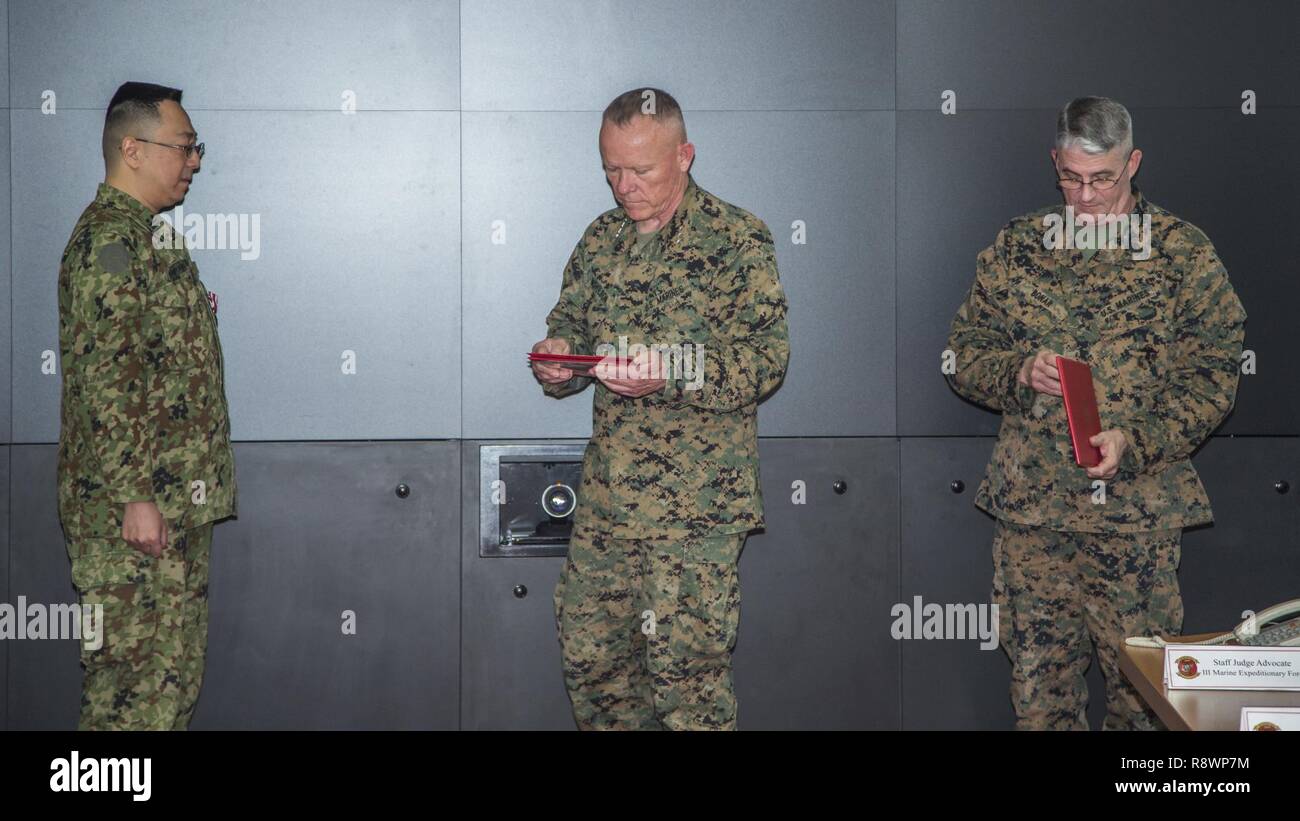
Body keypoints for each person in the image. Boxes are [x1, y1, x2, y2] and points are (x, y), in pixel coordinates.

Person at [946, 96, 1246, 730]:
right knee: (1039, 695)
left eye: (1103, 178)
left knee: (1143, 701)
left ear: (1133, 162)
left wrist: (1136, 441)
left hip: (1137, 516)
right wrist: (1016, 372)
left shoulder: (1181, 254)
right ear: (1055, 162)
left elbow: (1214, 376)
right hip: (1034, 515)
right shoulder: (1019, 247)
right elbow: (963, 356)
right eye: (1071, 177)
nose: (1085, 195)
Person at [532, 87, 789, 730]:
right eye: (611, 170)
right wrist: (559, 359)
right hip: (608, 505)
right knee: (594, 665)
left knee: (688, 687)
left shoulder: (736, 237)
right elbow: (569, 331)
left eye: (641, 170)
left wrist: (670, 370)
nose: (624, 186)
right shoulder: (601, 240)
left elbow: (764, 360)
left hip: (695, 514)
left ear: (684, 156)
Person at [57, 81, 237, 729]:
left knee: (165, 688)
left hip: (171, 506)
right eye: (184, 147)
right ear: (132, 149)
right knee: (130, 694)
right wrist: (135, 494)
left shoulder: (146, 239)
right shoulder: (112, 242)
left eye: (196, 149)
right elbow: (107, 371)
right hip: (135, 515)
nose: (194, 161)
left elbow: (142, 348)